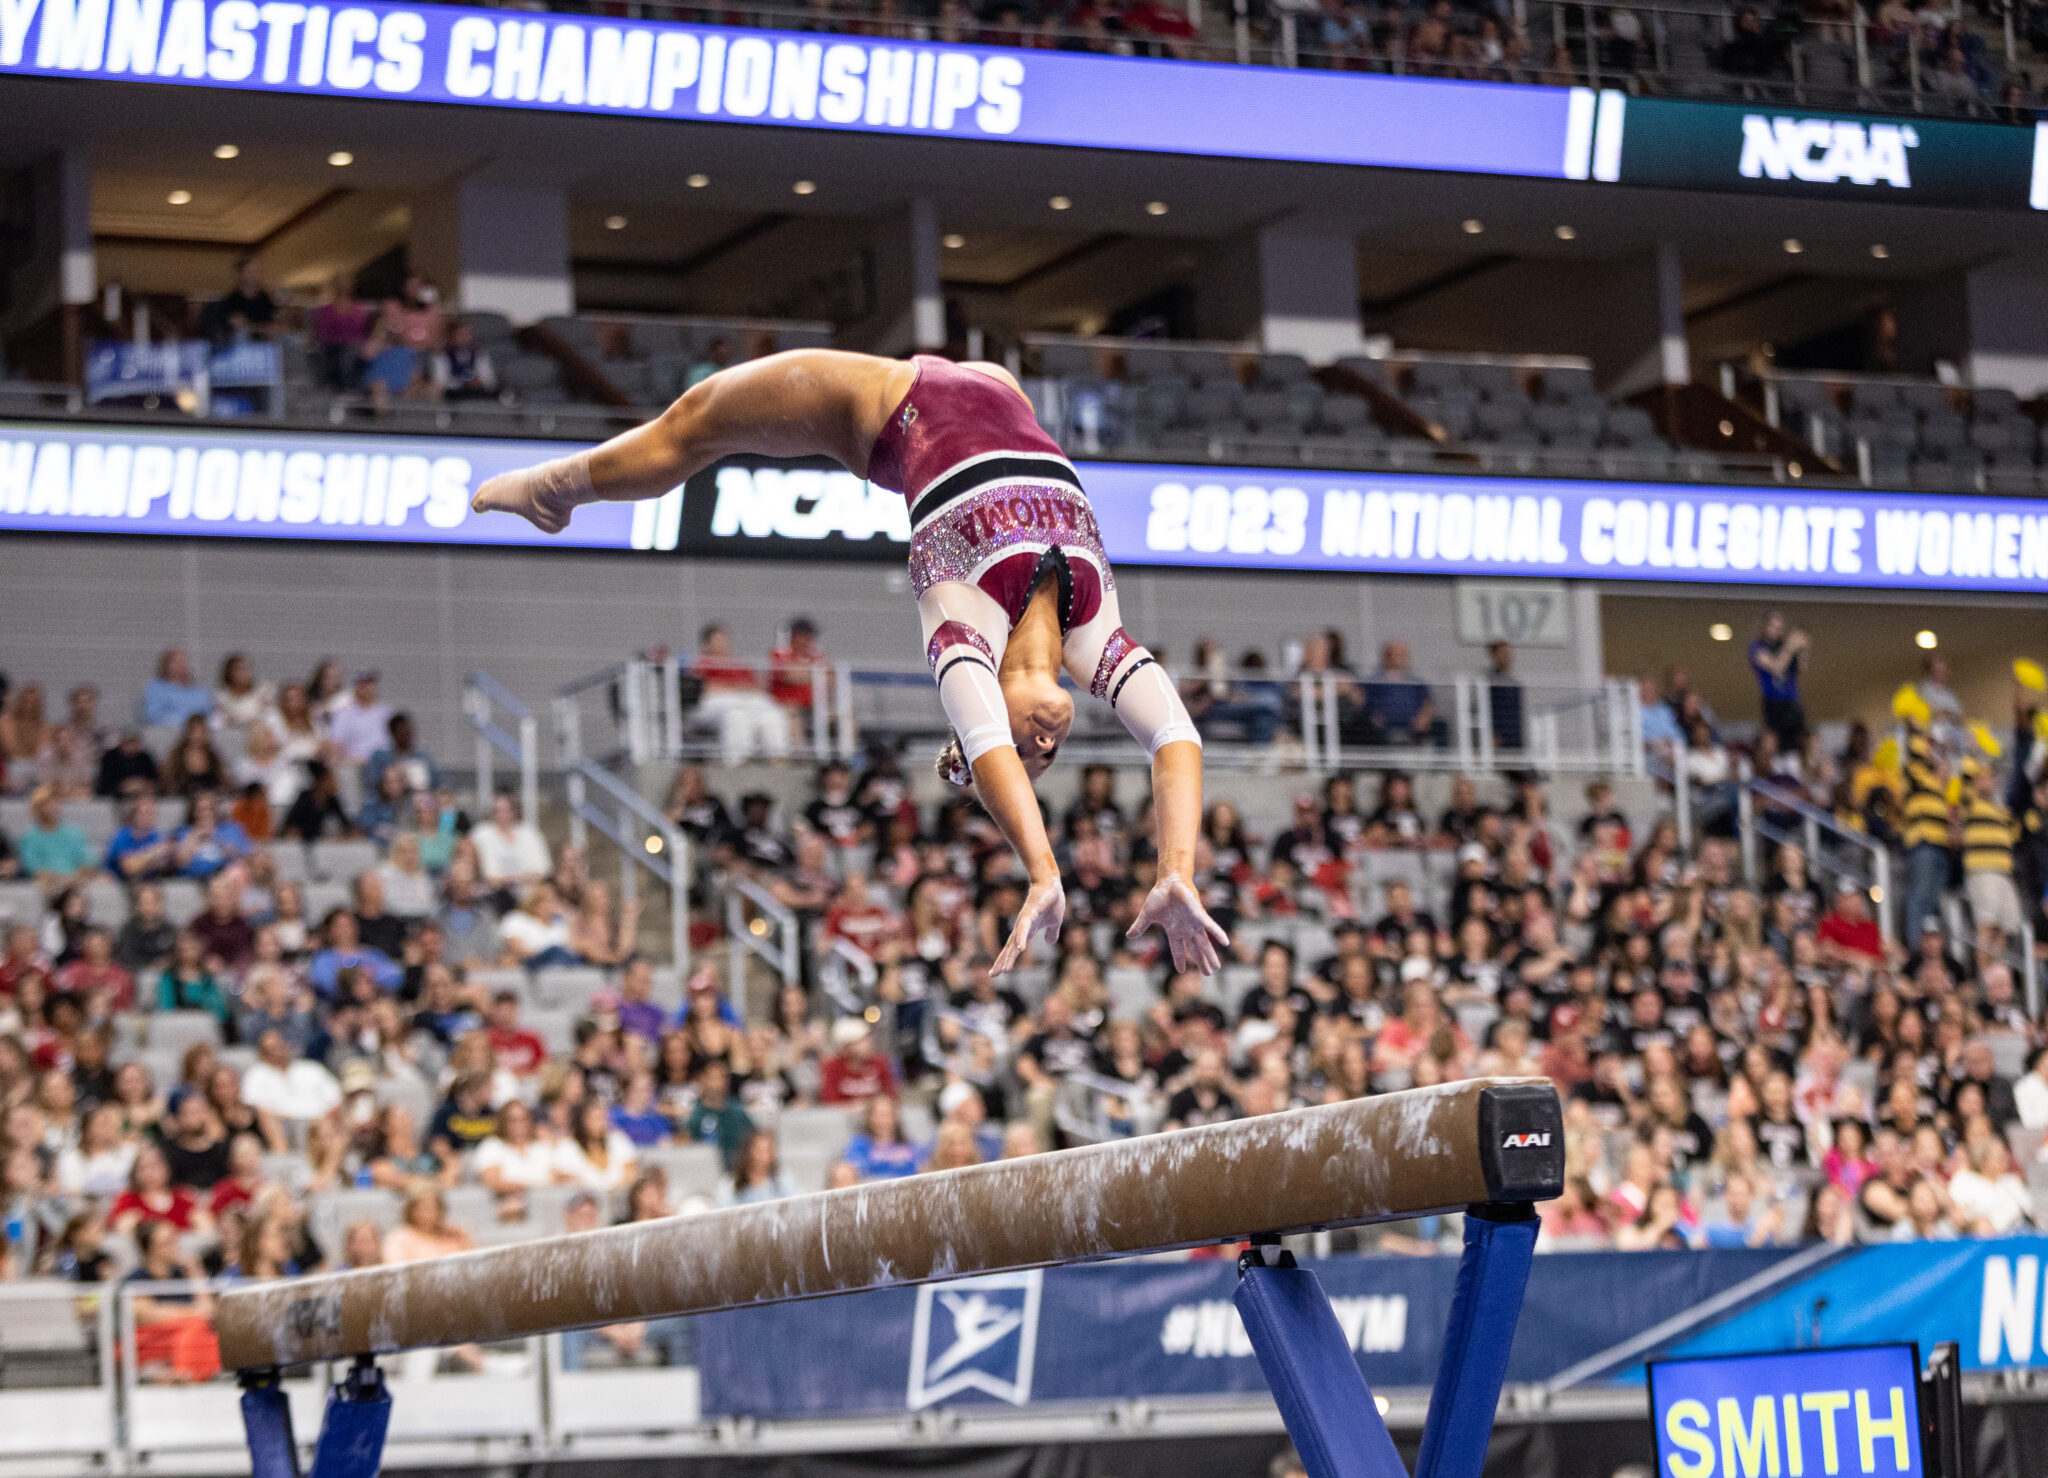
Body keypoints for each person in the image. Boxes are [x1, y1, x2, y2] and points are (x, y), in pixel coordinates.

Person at [474, 348, 1226, 977]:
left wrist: (1041, 871)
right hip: (1004, 399)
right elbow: (1174, 736)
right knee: (994, 383)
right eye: (1050, 753)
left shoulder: (962, 630)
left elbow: (986, 743)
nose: (1047, 742)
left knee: (697, 424)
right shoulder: (1093, 631)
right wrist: (1176, 869)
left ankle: (555, 490)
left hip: (892, 408)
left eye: (1030, 752)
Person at [1749, 611, 1809, 752]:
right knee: (1777, 745)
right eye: (1773, 627)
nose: (1777, 631)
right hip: (1774, 703)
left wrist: (1803, 649)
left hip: (1792, 702)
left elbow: (1801, 669)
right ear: (1764, 627)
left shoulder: (1783, 645)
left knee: (1800, 743)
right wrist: (1790, 647)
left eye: (1780, 627)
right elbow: (1775, 667)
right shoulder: (1757, 647)